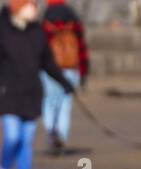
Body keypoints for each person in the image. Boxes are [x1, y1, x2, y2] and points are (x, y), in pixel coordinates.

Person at [0, 0, 74, 169]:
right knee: (12, 137)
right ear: (19, 8)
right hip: (7, 93)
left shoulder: (37, 33)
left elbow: (47, 62)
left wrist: (64, 82)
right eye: (31, 5)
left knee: (26, 140)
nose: (36, 9)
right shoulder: (0, 31)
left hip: (31, 93)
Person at [39, 0, 89, 155]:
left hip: (49, 70)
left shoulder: (44, 22)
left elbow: (39, 49)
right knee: (65, 105)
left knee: (48, 103)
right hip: (70, 68)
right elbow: (82, 49)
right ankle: (61, 135)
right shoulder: (74, 22)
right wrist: (84, 72)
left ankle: (51, 131)